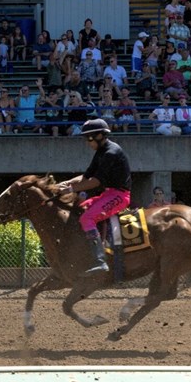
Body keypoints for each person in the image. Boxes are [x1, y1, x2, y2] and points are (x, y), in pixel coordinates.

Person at [57, 118, 132, 277]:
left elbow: (95, 182)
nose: (87, 142)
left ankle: (100, 261)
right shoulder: (101, 151)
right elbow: (86, 176)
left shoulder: (111, 152)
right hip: (108, 194)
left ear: (99, 136)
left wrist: (70, 189)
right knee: (80, 210)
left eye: (88, 138)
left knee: (87, 218)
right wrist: (65, 183)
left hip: (120, 195)